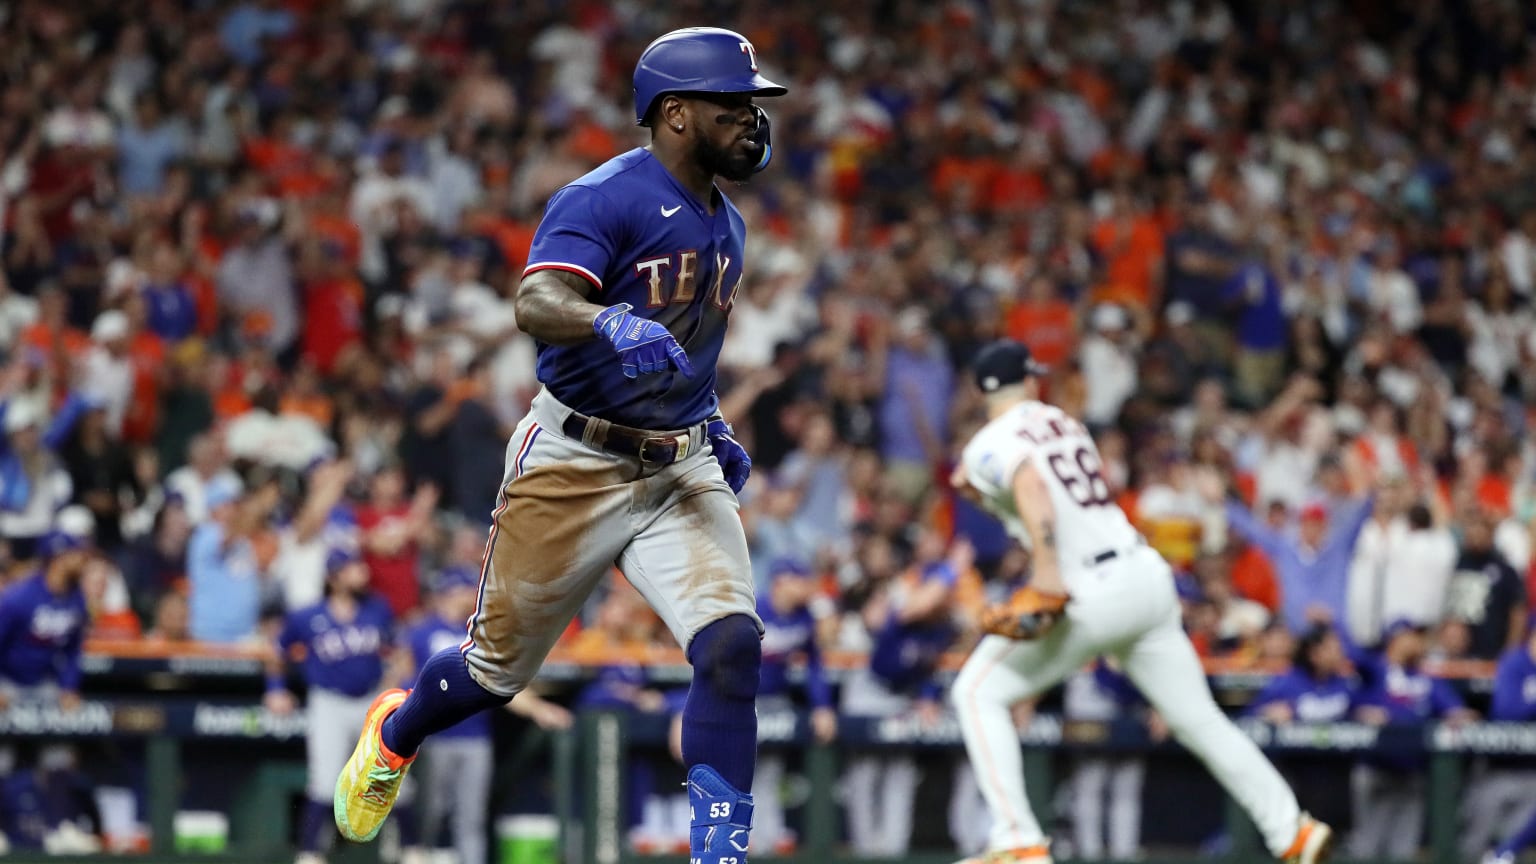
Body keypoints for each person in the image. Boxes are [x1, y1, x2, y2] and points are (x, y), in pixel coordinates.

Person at [333, 28, 786, 864]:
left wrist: (711, 421)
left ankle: (720, 855)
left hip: (677, 460)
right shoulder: (604, 195)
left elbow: (688, 345)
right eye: (735, 106)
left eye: (754, 106)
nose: (753, 122)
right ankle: (396, 731)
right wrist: (603, 318)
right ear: (676, 113)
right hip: (574, 459)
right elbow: (537, 300)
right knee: (492, 674)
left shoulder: (728, 223)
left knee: (731, 645)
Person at [948, 339, 1332, 864]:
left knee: (975, 693)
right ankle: (1292, 830)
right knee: (1200, 720)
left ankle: (1016, 841)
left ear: (980, 391)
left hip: (1088, 588)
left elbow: (1033, 485)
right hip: (1144, 578)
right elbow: (1038, 485)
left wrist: (1046, 575)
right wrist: (989, 494)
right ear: (1030, 381)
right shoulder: (1064, 423)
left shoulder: (987, 441)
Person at [401, 566, 572, 864]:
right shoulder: (421, 632)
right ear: (446, 593)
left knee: (471, 817)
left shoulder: (480, 635)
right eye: (462, 591)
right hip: (435, 736)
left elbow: (501, 685)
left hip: (474, 737)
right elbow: (401, 678)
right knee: (429, 812)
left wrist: (539, 709)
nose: (466, 597)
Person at [264, 549, 409, 864]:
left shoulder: (376, 609)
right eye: (353, 568)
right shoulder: (307, 615)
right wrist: (276, 689)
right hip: (328, 701)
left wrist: (393, 681)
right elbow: (276, 652)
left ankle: (407, 850)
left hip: (370, 701)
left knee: (394, 775)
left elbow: (400, 652)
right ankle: (310, 853)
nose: (362, 573)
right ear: (334, 576)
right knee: (325, 780)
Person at [1347, 619, 1476, 860]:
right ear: (1394, 639)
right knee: (1366, 849)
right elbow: (1350, 658)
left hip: (1412, 772)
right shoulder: (1375, 670)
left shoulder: (1425, 677)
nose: (1418, 642)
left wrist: (1459, 716)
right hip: (1376, 770)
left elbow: (1454, 710)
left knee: (1403, 852)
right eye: (1411, 636)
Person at [1468, 627, 1536, 863]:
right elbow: (1506, 712)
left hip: (1532, 775)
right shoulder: (1514, 662)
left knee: (1515, 852)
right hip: (1499, 770)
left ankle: (1506, 852)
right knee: (1472, 846)